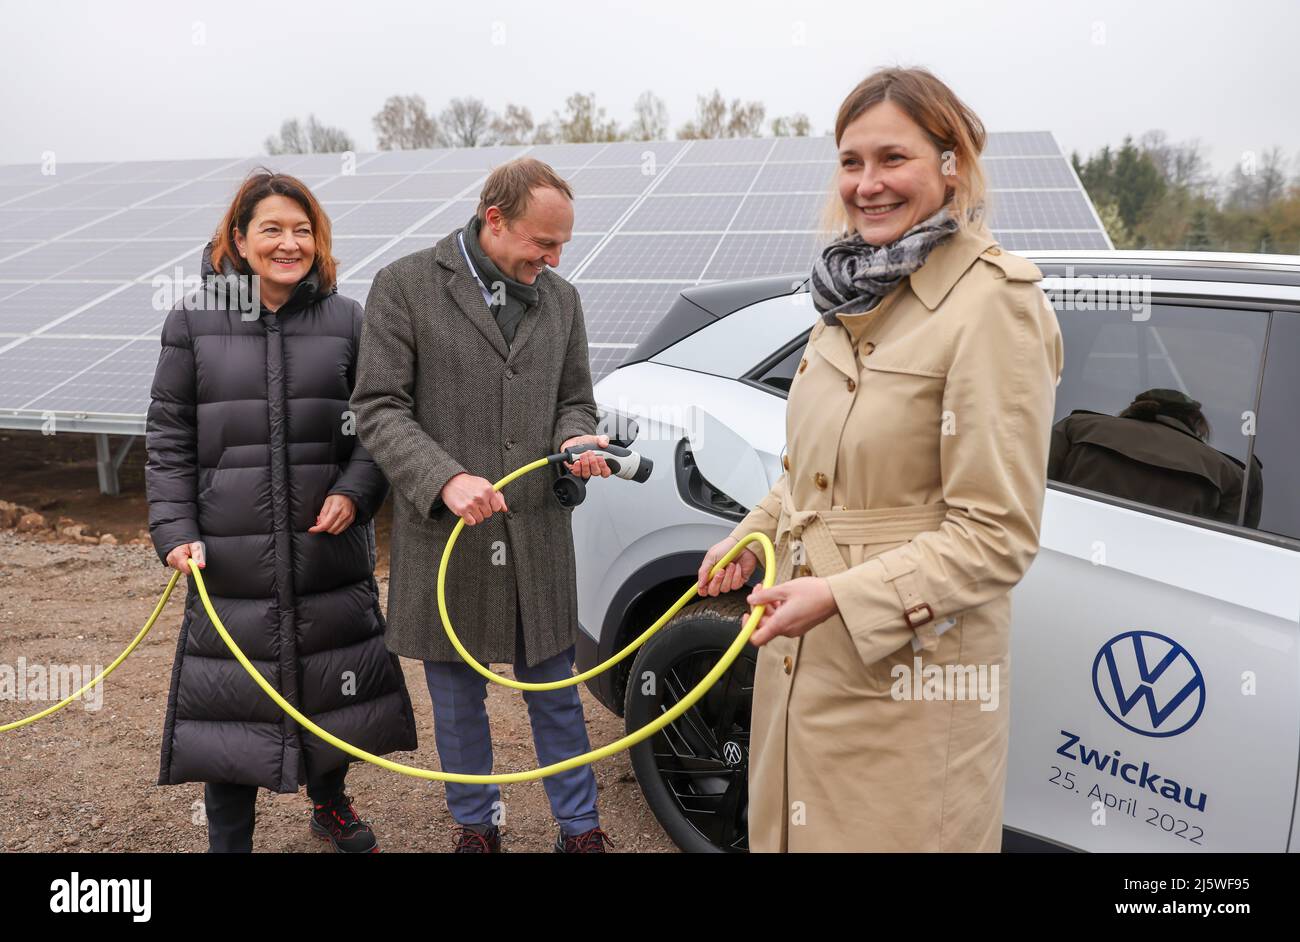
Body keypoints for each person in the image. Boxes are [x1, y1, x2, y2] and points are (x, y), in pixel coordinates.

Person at [697, 67, 1065, 852]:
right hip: (803, 665)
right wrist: (750, 533)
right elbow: (809, 473)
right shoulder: (850, 290)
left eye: (892, 158)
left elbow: (995, 536)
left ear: (950, 163)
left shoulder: (995, 304)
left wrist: (837, 597)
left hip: (910, 684)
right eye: (851, 161)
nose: (867, 184)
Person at [145, 170, 418, 853]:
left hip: (325, 547)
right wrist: (175, 529)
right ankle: (228, 839)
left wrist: (357, 491)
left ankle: (330, 804)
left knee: (330, 684)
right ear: (238, 239)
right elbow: (169, 436)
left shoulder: (348, 319)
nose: (288, 243)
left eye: (302, 229)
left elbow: (379, 424)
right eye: (271, 228)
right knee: (229, 702)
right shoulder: (192, 321)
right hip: (228, 553)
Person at [352, 157, 615, 853]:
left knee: (556, 689)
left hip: (535, 530)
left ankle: (580, 830)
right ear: (493, 219)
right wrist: (443, 478)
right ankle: (478, 829)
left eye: (561, 246)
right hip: (449, 536)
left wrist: (575, 439)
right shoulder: (404, 286)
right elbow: (378, 408)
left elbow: (574, 399)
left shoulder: (562, 299)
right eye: (542, 243)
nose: (553, 260)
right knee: (458, 701)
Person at [1049, 388, 1262, 526]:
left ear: (1135, 407)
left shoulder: (1077, 428)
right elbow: (1228, 550)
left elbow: (1029, 489)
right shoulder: (1228, 474)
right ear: (1195, 421)